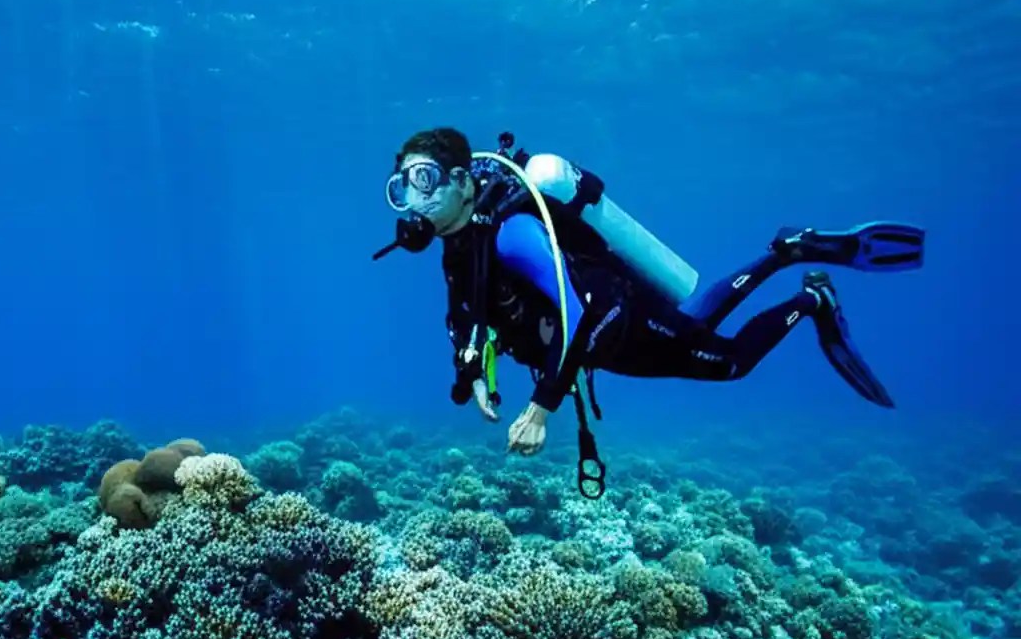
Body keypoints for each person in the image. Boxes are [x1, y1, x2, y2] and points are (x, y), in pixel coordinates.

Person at [372, 127, 925, 498]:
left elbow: (577, 315)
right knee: (697, 321)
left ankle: (811, 298)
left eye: (424, 182)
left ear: (464, 181)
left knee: (729, 362)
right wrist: (473, 375)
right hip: (600, 341)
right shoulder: (459, 242)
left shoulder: (512, 234)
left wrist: (541, 408)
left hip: (615, 321)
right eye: (402, 187)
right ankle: (784, 252)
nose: (413, 201)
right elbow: (465, 318)